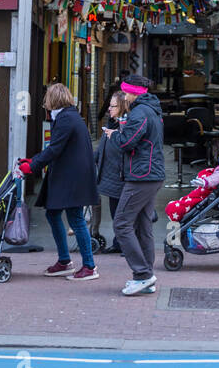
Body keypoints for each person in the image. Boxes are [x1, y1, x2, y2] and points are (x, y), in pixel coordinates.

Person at [18, 83, 100, 281]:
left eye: (46, 98)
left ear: (52, 100)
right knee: (53, 213)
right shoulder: (69, 117)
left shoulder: (65, 120)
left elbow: (54, 149)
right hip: (71, 175)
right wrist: (34, 161)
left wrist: (33, 165)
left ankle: (89, 266)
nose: (44, 102)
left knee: (76, 219)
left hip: (72, 177)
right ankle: (64, 261)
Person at [109, 74, 165, 296]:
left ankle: (142, 274)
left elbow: (126, 143)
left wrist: (114, 135)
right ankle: (146, 277)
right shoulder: (150, 110)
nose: (122, 95)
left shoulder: (140, 112)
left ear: (131, 92)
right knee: (143, 227)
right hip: (150, 175)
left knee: (122, 223)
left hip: (142, 176)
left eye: (124, 92)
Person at [94, 90, 129, 254]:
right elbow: (103, 149)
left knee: (122, 214)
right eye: (109, 105)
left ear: (122, 107)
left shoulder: (125, 127)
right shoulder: (111, 124)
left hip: (120, 176)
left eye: (113, 106)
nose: (109, 109)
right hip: (112, 175)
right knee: (116, 212)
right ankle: (119, 243)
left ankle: (126, 245)